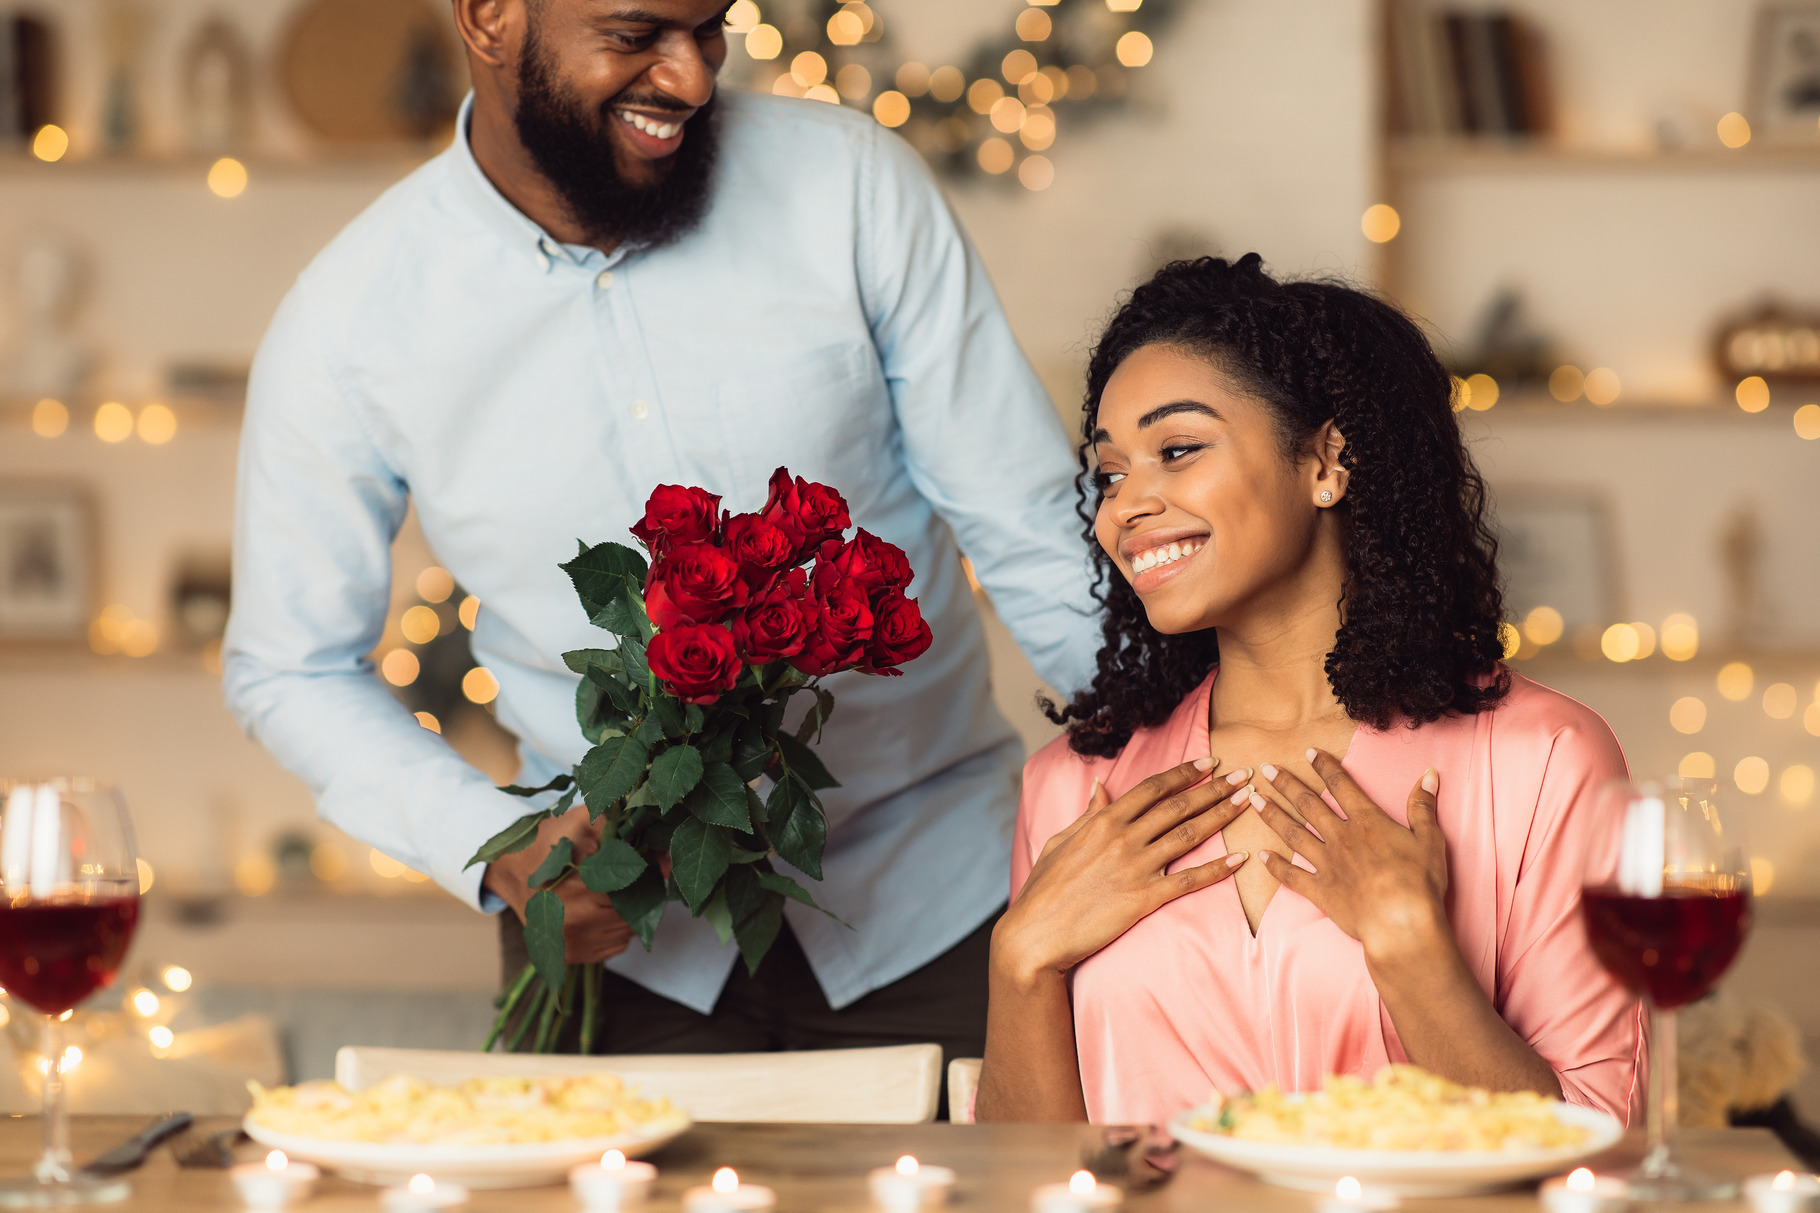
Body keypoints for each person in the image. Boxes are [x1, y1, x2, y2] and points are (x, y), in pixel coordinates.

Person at [222, 0, 1097, 1077]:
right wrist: (492, 851)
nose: (688, 79)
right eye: (636, 35)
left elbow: (1033, 533)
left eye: (709, 28)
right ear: (490, 17)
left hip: (942, 907)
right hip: (615, 944)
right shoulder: (349, 320)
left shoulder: (851, 188)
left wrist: (1196, 767)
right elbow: (288, 665)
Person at [976, 255, 1644, 1124]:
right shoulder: (1072, 784)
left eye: (1177, 450)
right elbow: (1024, 1182)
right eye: (1109, 472)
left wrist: (1411, 951)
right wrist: (1021, 960)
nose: (1122, 508)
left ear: (1328, 460)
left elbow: (1599, 1151)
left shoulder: (1544, 763)